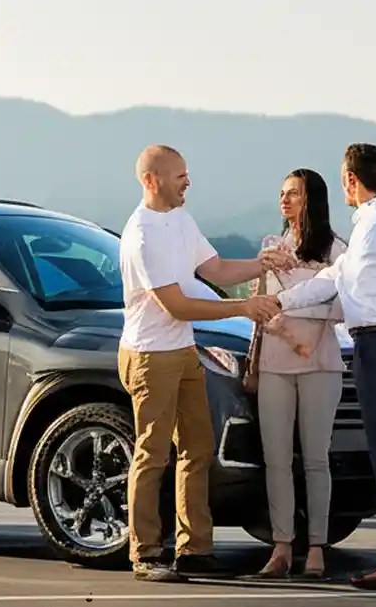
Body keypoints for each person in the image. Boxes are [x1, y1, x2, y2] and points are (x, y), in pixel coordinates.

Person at [117, 144, 289, 583]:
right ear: (152, 180)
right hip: (149, 356)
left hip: (182, 352)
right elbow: (177, 305)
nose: (188, 181)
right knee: (152, 453)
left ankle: (194, 548)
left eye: (187, 174)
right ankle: (146, 553)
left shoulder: (181, 221)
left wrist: (259, 264)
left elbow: (214, 268)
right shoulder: (141, 235)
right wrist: (243, 308)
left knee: (198, 447)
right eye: (179, 175)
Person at [270, 143, 376, 590]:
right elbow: (331, 281)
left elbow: (336, 286)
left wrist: (277, 303)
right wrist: (282, 300)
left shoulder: (373, 228)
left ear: (351, 180)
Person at [249, 169, 348, 580]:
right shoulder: (271, 248)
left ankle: (318, 547)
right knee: (275, 458)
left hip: (321, 364)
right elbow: (259, 305)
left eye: (293, 193)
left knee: (315, 459)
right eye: (281, 193)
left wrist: (287, 304)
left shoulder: (337, 251)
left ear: (314, 200)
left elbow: (342, 309)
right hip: (273, 362)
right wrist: (288, 321)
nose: (284, 200)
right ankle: (282, 546)